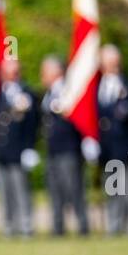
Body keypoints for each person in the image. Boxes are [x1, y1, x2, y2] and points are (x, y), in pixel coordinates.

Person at [0, 57, 40, 237]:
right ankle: (8, 226)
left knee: (21, 190)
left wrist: (30, 147)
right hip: (1, 150)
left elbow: (33, 122)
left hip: (19, 150)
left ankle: (25, 225)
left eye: (14, 72)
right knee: (5, 192)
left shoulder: (26, 93)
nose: (11, 76)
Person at [96, 45, 128, 235]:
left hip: (126, 147)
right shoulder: (97, 87)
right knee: (112, 189)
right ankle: (114, 225)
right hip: (107, 148)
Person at [39, 56, 89, 236]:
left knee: (73, 189)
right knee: (55, 190)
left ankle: (83, 226)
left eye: (45, 70)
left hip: (69, 148)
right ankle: (58, 227)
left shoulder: (69, 90)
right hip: (53, 149)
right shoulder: (48, 93)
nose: (42, 75)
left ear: (56, 71)